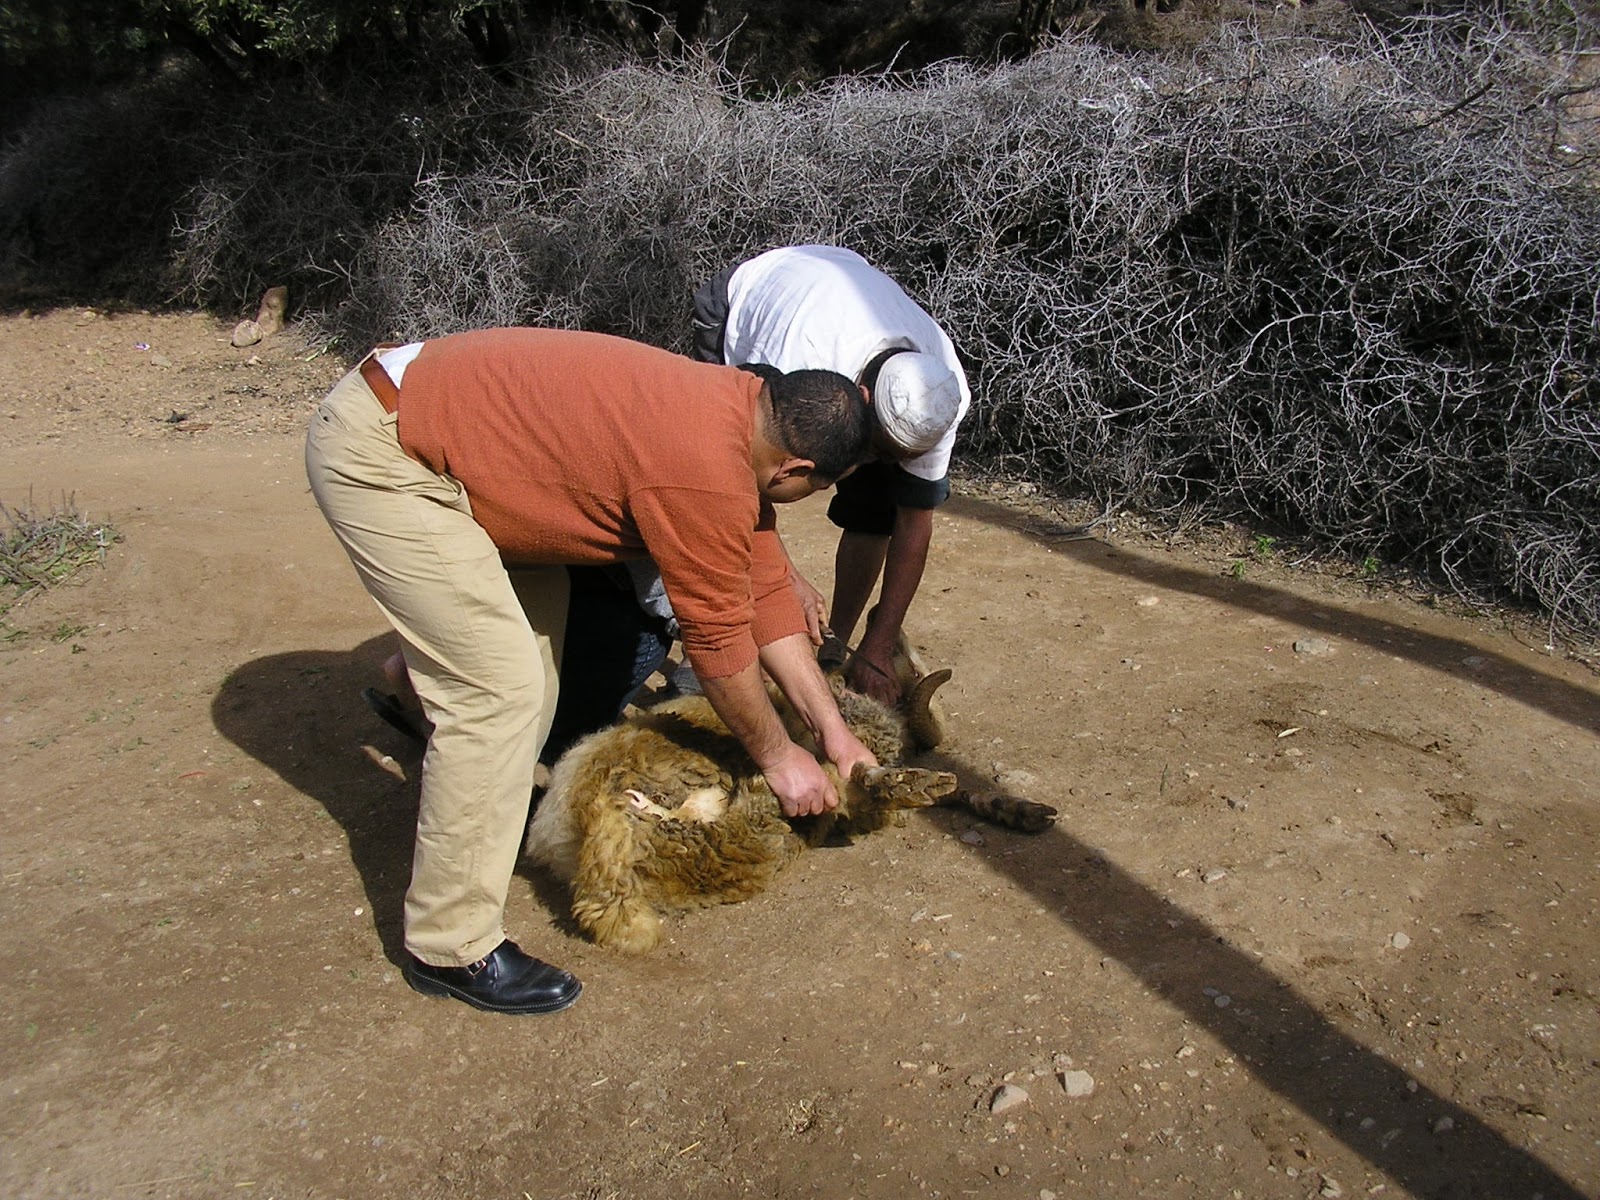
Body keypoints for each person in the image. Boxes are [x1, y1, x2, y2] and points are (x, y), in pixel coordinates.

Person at [305, 328, 880, 1016]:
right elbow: (720, 641)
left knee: (537, 679)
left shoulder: (741, 411)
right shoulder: (702, 466)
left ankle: (471, 807)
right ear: (791, 469)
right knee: (499, 693)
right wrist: (781, 757)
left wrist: (834, 734)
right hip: (393, 455)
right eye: (820, 487)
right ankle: (449, 946)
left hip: (460, 443)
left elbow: (767, 595)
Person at [690, 244, 971, 706]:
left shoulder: (941, 394)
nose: (871, 464)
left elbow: (913, 520)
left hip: (844, 292)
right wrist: (787, 580)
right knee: (715, 488)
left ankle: (832, 643)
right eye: (874, 450)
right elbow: (740, 485)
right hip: (749, 298)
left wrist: (879, 647)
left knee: (875, 508)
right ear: (859, 398)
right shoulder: (794, 362)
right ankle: (714, 646)